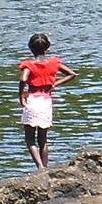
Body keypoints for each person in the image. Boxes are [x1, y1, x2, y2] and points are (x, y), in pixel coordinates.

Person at [18, 33, 77, 171]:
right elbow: (72, 74)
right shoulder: (53, 63)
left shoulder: (29, 65)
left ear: (30, 48)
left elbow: (23, 79)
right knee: (43, 139)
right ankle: (45, 167)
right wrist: (55, 83)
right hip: (46, 101)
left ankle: (39, 167)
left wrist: (21, 94)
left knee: (30, 138)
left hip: (32, 100)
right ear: (47, 48)